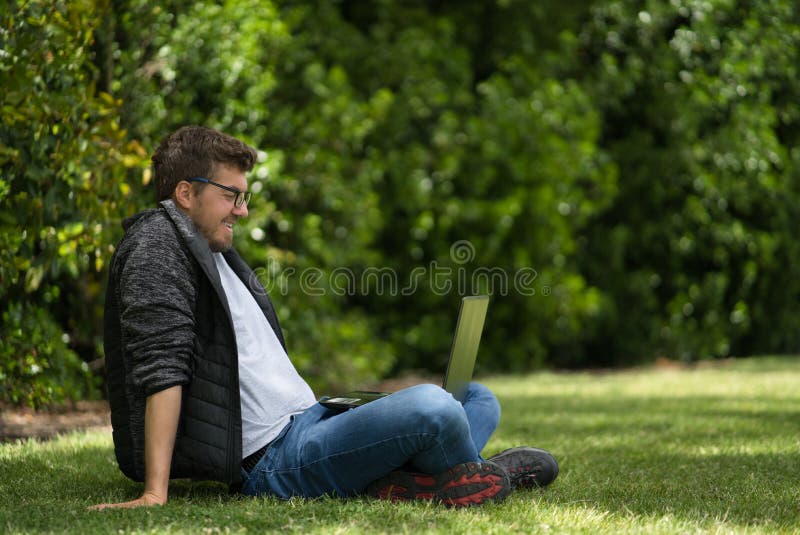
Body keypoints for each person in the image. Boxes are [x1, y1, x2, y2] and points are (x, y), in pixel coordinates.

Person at [91, 125, 558, 510]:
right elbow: (161, 368)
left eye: (244, 196)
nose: (243, 209)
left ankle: (413, 479)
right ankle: (480, 475)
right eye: (232, 195)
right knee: (434, 409)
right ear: (186, 192)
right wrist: (155, 492)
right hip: (274, 459)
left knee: (478, 398)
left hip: (311, 417)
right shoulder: (156, 245)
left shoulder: (212, 253)